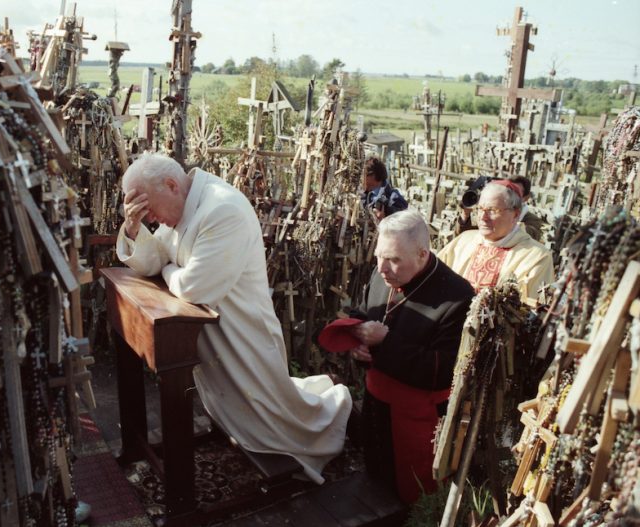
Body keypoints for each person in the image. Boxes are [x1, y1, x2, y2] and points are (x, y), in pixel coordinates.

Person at [117, 152, 352, 484]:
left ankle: (329, 421)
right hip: (213, 333)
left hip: (244, 335)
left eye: (149, 209)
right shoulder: (183, 204)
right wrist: (133, 228)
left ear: (171, 185)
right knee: (240, 414)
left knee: (276, 422)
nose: (151, 218)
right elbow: (157, 259)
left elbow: (194, 288)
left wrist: (170, 270)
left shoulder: (223, 209)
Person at [340, 210, 475, 503]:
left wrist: (383, 343)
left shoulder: (458, 296)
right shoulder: (383, 273)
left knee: (413, 492)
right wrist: (359, 339)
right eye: (379, 256)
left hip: (416, 418)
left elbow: (441, 370)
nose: (382, 268)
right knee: (376, 476)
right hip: (376, 401)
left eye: (393, 259)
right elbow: (362, 311)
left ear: (422, 254)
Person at [438, 180, 555, 303]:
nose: (483, 217)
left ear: (515, 214)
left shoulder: (536, 257)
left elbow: (532, 308)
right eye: (480, 209)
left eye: (492, 210)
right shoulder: (463, 241)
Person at [508, 175, 545, 241]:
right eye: (509, 190)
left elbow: (532, 235)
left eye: (517, 192)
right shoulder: (494, 210)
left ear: (526, 198)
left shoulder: (532, 220)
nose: (511, 196)